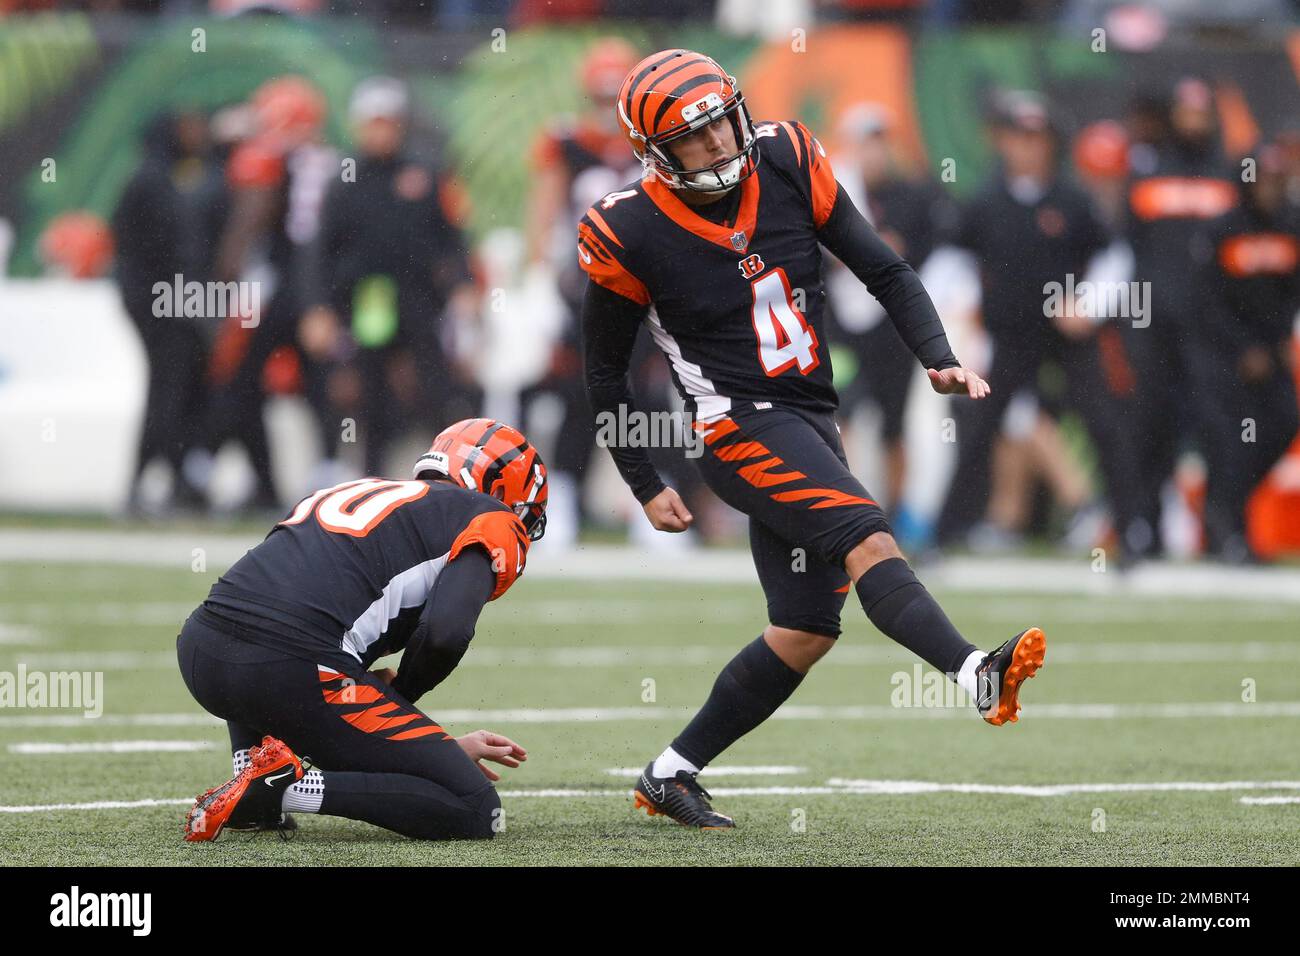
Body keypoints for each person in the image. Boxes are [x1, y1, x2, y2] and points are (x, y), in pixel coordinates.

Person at [579, 50, 1045, 829]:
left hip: (810, 418)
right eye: (695, 139)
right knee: (870, 538)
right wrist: (644, 481)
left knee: (803, 631)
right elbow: (604, 373)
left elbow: (885, 270)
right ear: (655, 152)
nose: (721, 144)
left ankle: (670, 771)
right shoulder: (626, 227)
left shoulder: (789, 156)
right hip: (736, 425)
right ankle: (976, 671)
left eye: (724, 122)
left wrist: (939, 357)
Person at [177, 419, 546, 842]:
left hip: (201, 651)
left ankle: (249, 771)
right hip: (288, 670)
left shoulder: (352, 489)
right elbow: (445, 632)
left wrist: (432, 751)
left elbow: (278, 590)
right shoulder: (490, 517)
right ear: (501, 492)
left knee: (275, 646)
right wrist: (403, 695)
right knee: (477, 809)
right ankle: (281, 792)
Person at [934, 91, 1141, 557]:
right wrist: (960, 321)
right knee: (981, 427)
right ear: (1003, 142)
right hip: (1009, 336)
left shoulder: (1073, 201)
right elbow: (950, 262)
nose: (1027, 148)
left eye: (1036, 138)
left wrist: (1087, 306)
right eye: (1018, 137)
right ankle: (945, 533)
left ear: (1051, 143)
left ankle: (1131, 535)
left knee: (1104, 424)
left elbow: (1113, 256)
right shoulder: (985, 202)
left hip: (1064, 338)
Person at [1193, 144, 1300, 561]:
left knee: (1282, 423)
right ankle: (1227, 533)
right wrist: (1242, 348)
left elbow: (1291, 294)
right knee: (1230, 441)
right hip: (1223, 356)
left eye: (1278, 182)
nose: (1271, 190)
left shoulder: (1291, 225)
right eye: (1265, 181)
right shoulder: (1222, 229)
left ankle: (1230, 516)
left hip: (1269, 354)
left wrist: (1274, 344)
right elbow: (1207, 300)